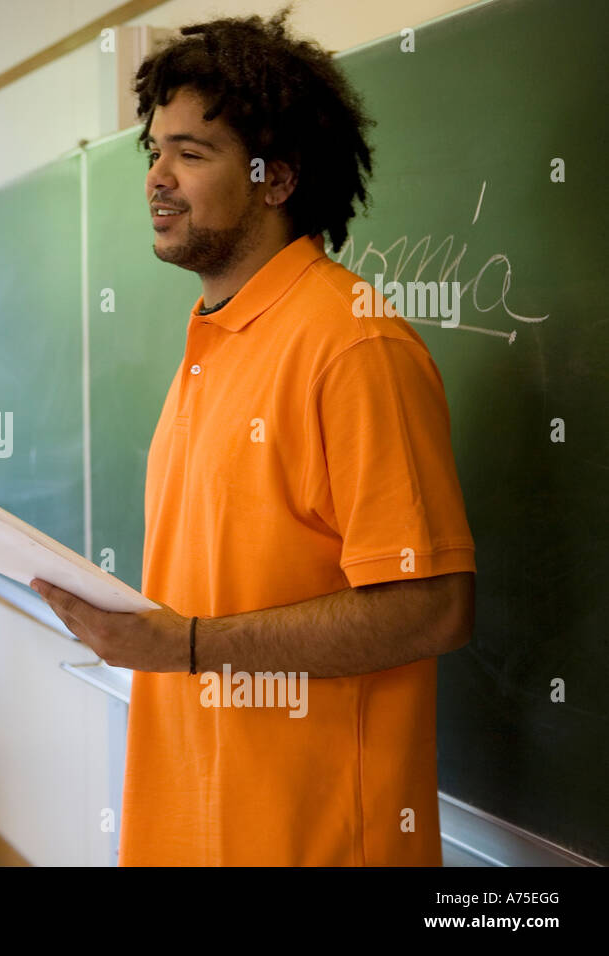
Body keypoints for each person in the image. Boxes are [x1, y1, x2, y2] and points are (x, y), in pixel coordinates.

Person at [30, 11, 477, 865]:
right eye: (154, 151)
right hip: (195, 818)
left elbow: (431, 606)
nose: (158, 179)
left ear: (277, 180)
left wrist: (187, 646)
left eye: (193, 154)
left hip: (313, 838)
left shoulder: (353, 345)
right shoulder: (214, 336)